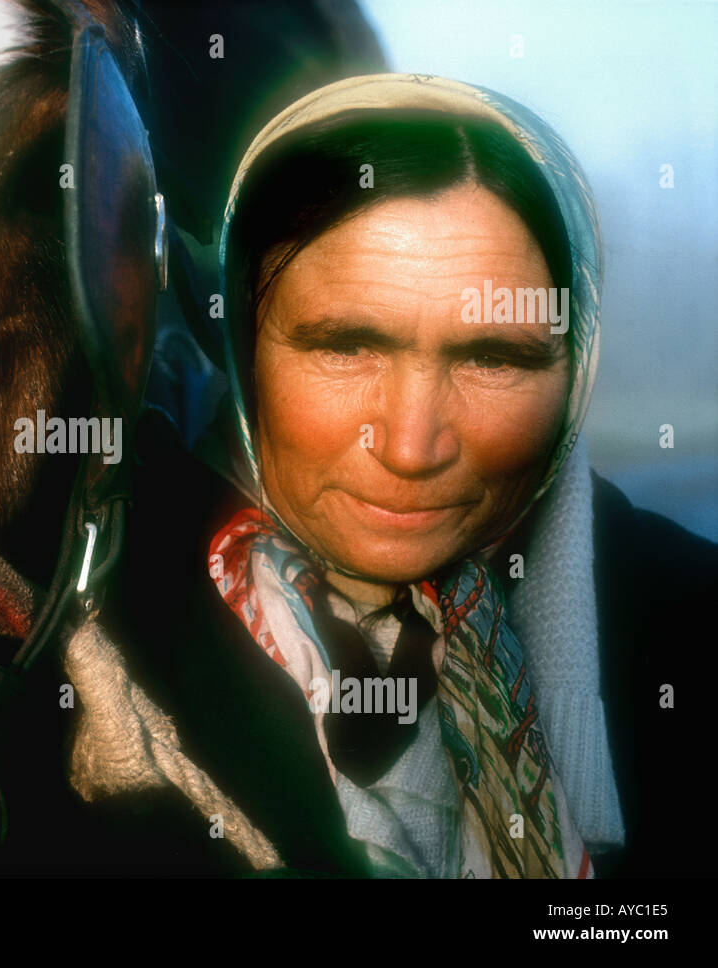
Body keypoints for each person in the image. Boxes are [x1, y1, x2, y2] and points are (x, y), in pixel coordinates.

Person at [56, 74, 718, 877]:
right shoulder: (87, 628)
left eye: (492, 357)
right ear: (241, 346)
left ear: (574, 369)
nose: (410, 446)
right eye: (345, 346)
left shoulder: (686, 625)